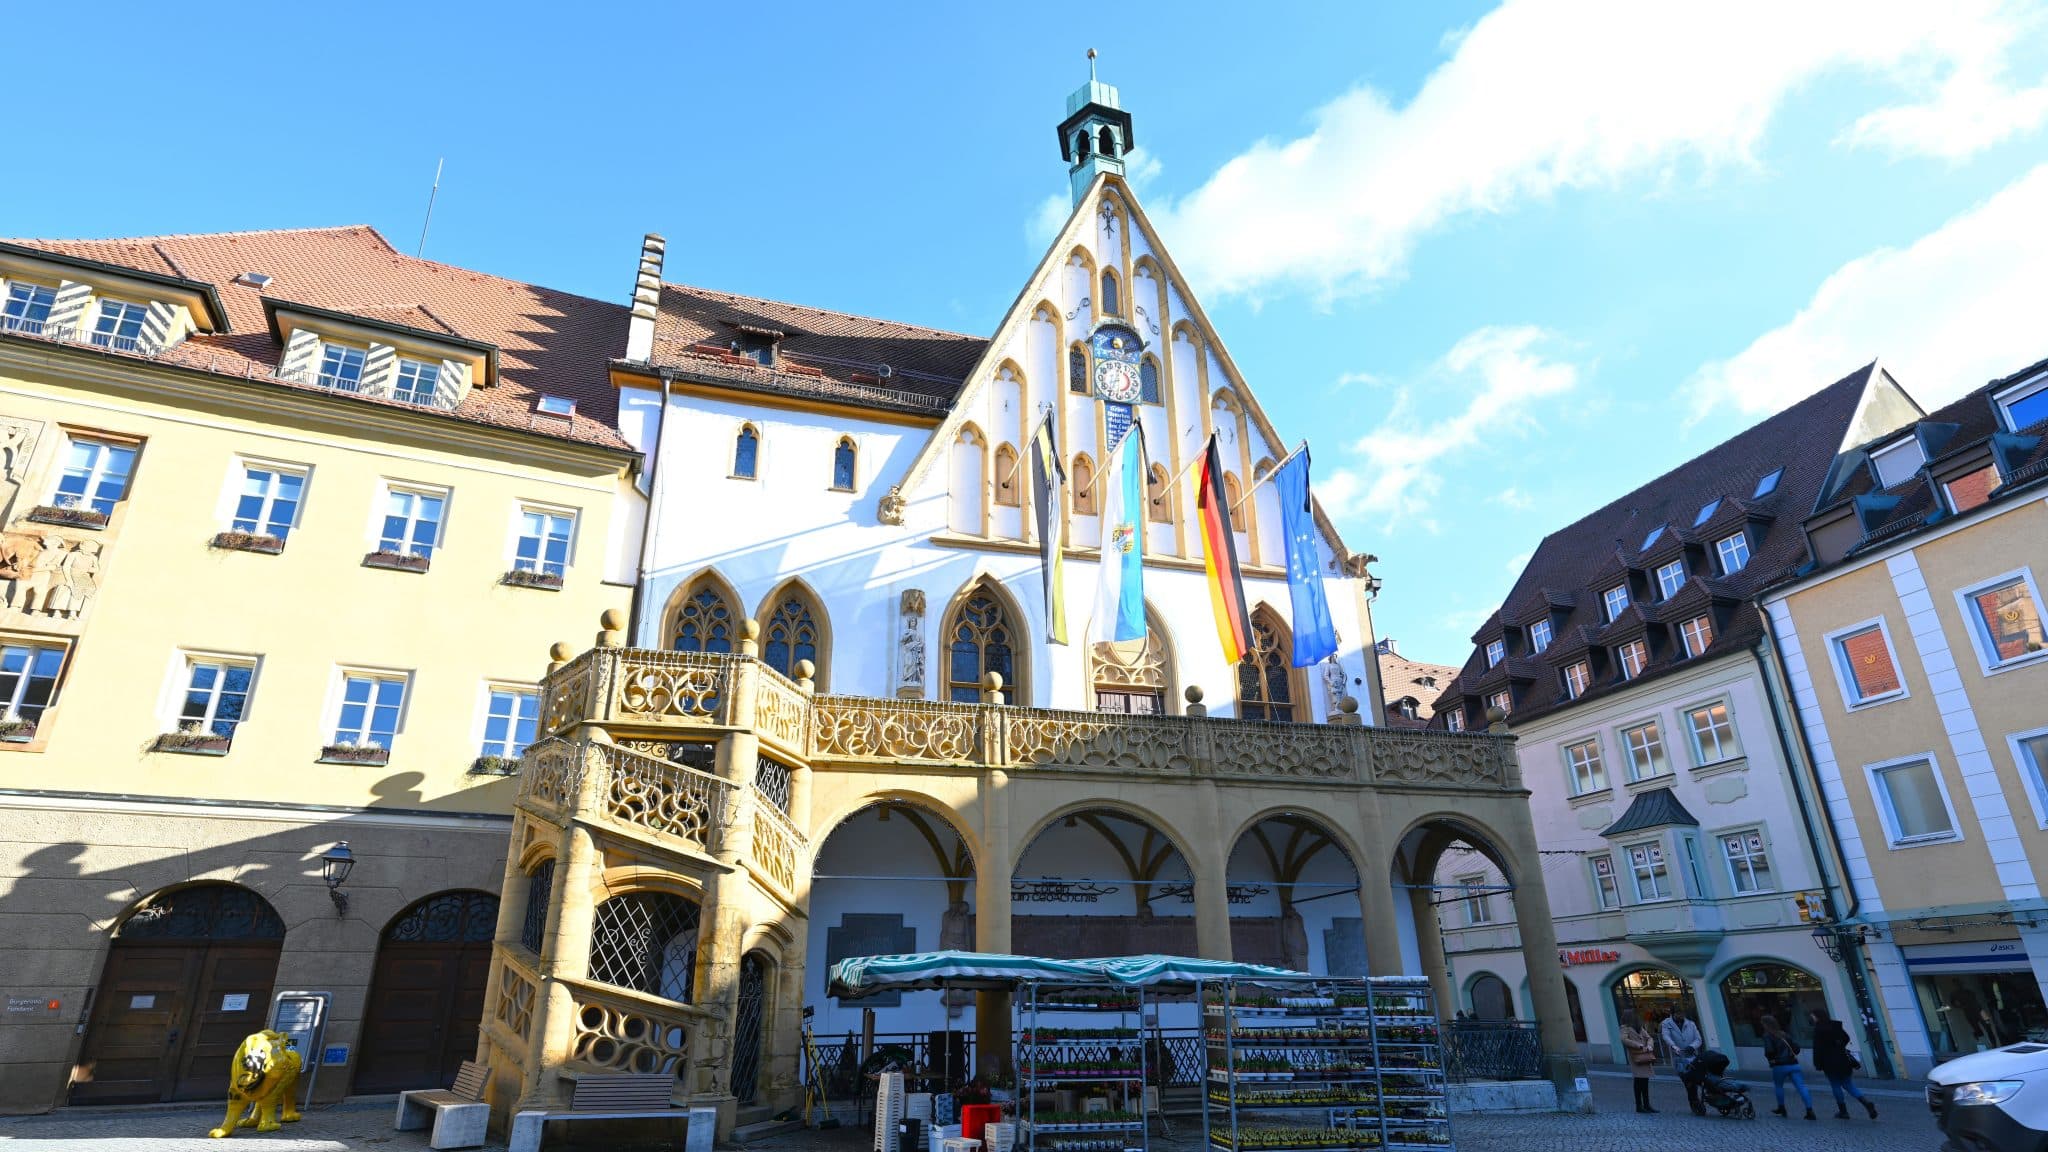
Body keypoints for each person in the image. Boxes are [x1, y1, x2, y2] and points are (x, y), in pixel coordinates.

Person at [1808, 1010, 1878, 1120]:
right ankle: (1866, 1103)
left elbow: (1818, 1049)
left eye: (1813, 1017)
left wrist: (1817, 1064)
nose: (1812, 1019)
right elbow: (1846, 1038)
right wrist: (1839, 1046)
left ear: (1818, 1017)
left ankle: (1843, 1111)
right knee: (1848, 1084)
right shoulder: (1835, 1025)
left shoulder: (1818, 1030)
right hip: (1842, 1059)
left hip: (1829, 1062)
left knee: (1835, 1085)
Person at [1760, 1014, 1815, 1119]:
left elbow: (1769, 1051)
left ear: (1765, 1024)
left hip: (1780, 1065)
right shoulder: (1784, 1034)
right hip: (1793, 1063)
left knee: (1779, 1086)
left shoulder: (1768, 1035)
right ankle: (1810, 1110)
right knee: (1802, 1087)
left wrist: (1771, 1059)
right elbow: (1796, 1048)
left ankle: (1782, 1108)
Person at [1660, 1006, 1704, 1113]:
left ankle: (1696, 1101)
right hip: (1679, 1057)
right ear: (1673, 1014)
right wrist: (1674, 1046)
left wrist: (1692, 1046)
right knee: (1688, 1081)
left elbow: (1698, 1039)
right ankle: (1694, 1102)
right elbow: (1666, 1036)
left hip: (1692, 1055)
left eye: (1682, 1013)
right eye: (1678, 1014)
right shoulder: (1666, 1024)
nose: (1681, 1016)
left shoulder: (1691, 1024)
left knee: (1696, 1080)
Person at [1621, 1019, 1658, 1113]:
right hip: (1636, 1056)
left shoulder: (1639, 1028)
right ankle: (1639, 1106)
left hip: (1645, 1055)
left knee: (1645, 1081)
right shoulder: (1625, 1028)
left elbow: (1649, 1038)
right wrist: (1638, 1045)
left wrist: (1650, 1045)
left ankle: (1647, 1104)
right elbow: (1624, 1040)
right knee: (1638, 1081)